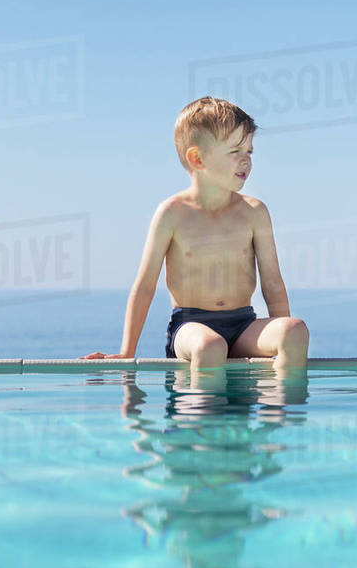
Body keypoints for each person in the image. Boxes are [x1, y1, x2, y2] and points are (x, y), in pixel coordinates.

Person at [82, 97, 309, 370]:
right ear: (197, 158)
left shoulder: (254, 212)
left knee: (294, 330)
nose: (246, 160)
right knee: (210, 346)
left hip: (244, 325)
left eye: (249, 151)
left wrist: (278, 332)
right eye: (235, 151)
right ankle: (206, 413)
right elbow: (144, 286)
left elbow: (272, 284)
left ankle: (280, 410)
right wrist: (126, 352)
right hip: (190, 327)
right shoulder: (172, 213)